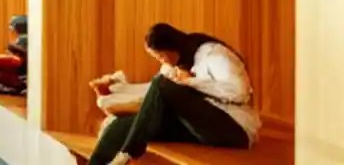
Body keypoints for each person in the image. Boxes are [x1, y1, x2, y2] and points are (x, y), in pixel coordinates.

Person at [86, 23, 259, 165]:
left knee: (162, 85)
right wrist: (116, 90)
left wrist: (190, 82)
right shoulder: (173, 66)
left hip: (233, 129)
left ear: (172, 49)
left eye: (161, 57)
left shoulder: (213, 54)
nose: (161, 61)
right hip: (198, 128)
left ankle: (127, 154)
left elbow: (239, 91)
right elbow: (153, 95)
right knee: (119, 125)